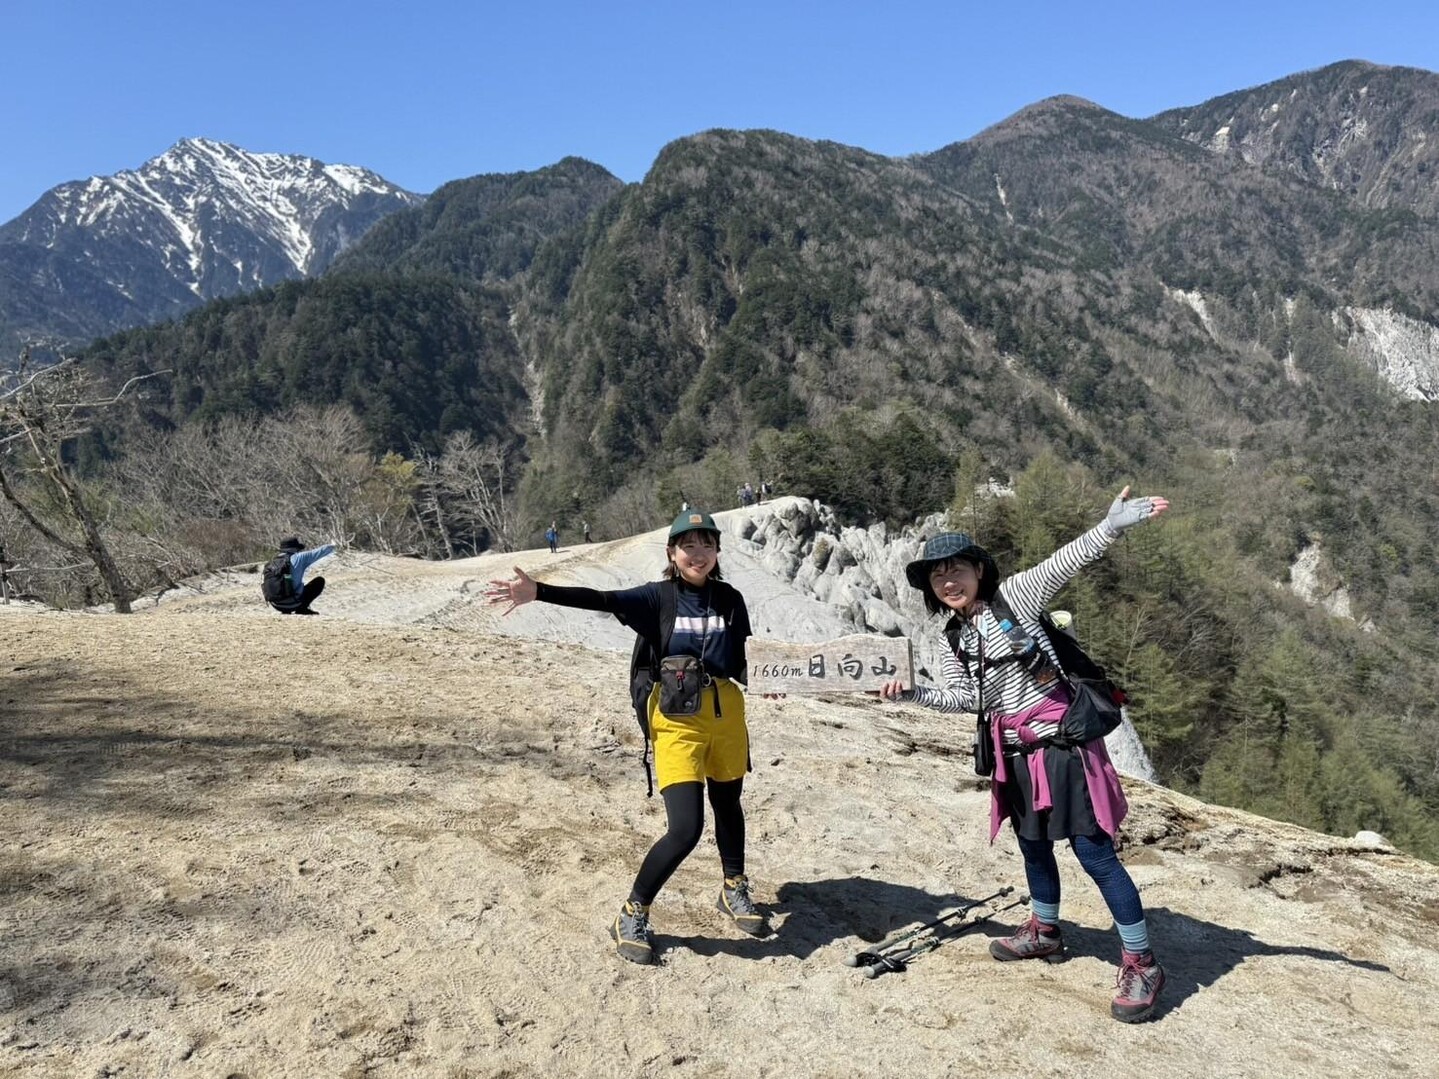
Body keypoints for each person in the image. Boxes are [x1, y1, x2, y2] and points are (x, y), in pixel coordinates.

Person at [881, 486, 1170, 1023]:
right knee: (1034, 848)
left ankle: (1142, 961)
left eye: (957, 569)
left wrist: (1111, 526)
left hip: (1063, 748)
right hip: (1012, 755)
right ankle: (1044, 929)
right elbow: (968, 699)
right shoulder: (951, 637)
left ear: (979, 571)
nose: (948, 581)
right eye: (936, 575)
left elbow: (1067, 560)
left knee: (1094, 854)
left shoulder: (1017, 596)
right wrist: (914, 692)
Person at [487, 510, 762, 965]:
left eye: (707, 545)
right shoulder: (658, 598)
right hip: (677, 723)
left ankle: (734, 888)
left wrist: (772, 676)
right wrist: (540, 592)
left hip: (727, 716)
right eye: (688, 545)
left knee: (729, 803)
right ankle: (632, 911)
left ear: (717, 552)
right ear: (672, 554)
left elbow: (743, 659)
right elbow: (601, 597)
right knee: (685, 829)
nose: (699, 554)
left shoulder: (730, 599)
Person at [263, 537, 335, 615]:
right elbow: (319, 552)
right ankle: (302, 608)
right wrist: (333, 545)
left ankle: (286, 610)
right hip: (293, 603)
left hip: (275, 605)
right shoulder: (299, 557)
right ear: (295, 548)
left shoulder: (271, 562)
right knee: (319, 581)